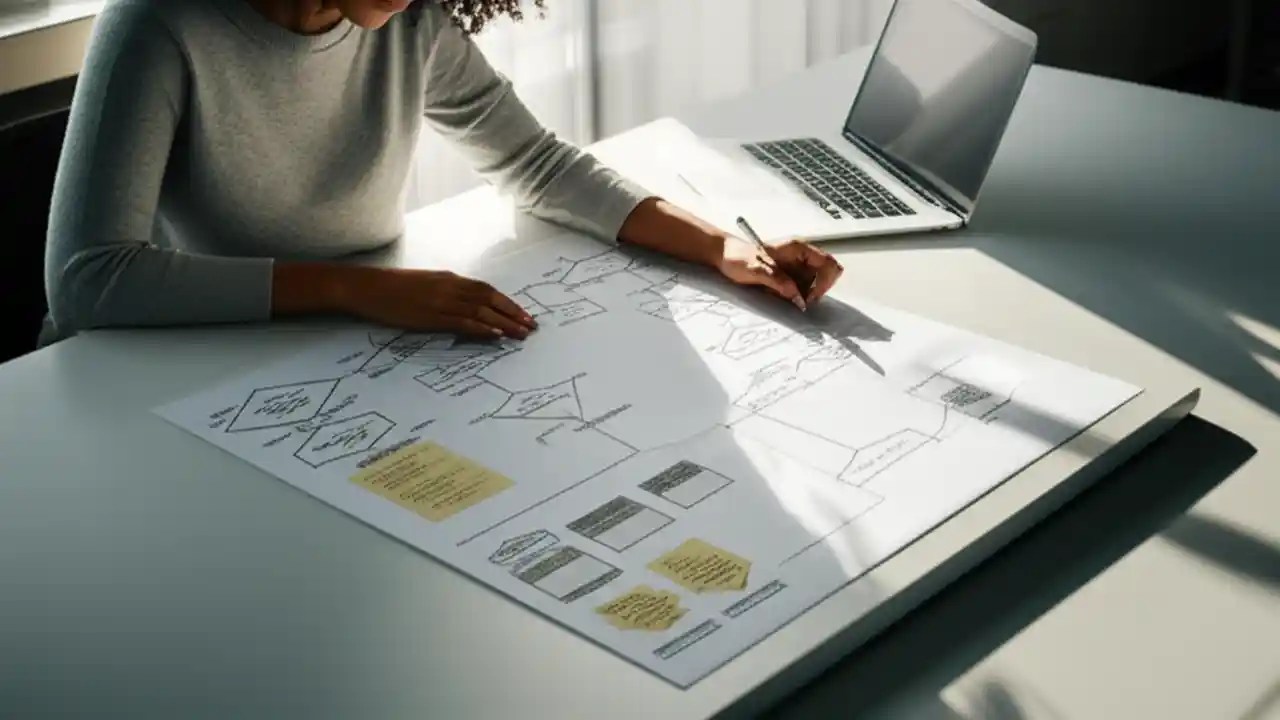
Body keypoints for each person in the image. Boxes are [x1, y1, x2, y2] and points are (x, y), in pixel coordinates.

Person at [43, 0, 844, 344]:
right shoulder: (158, 24)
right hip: (164, 368)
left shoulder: (410, 19)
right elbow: (88, 280)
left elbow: (535, 162)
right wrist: (353, 288)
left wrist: (718, 247)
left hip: (335, 352)